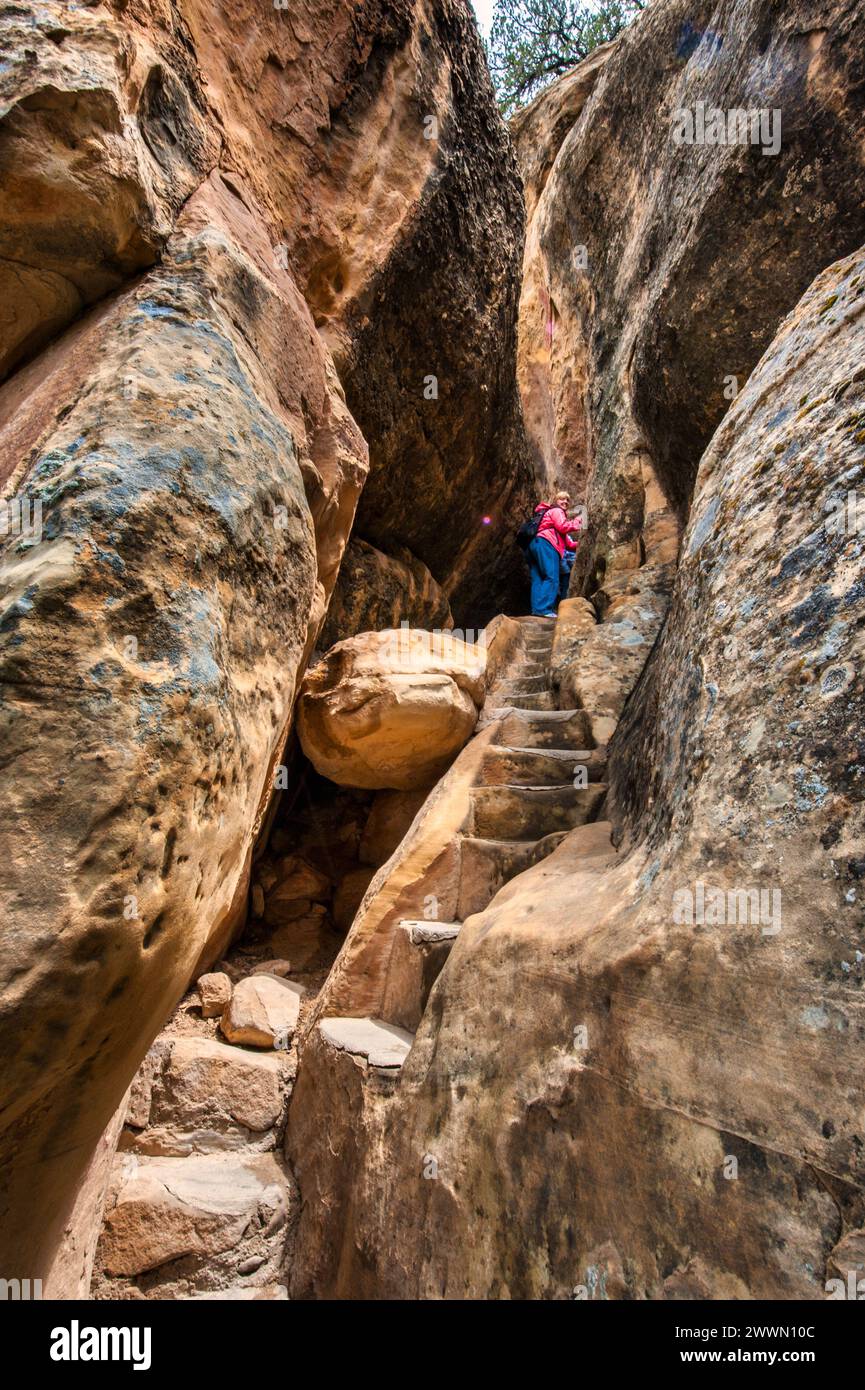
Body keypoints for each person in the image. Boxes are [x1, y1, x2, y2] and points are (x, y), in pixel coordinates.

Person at [527, 491, 583, 616]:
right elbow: (563, 526)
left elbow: (569, 544)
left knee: (538, 579)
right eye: (562, 499)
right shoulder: (556, 511)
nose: (565, 502)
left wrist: (582, 543)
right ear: (555, 501)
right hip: (547, 544)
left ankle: (536, 610)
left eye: (567, 500)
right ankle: (545, 610)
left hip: (533, 545)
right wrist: (578, 521)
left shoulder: (548, 518)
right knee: (551, 577)